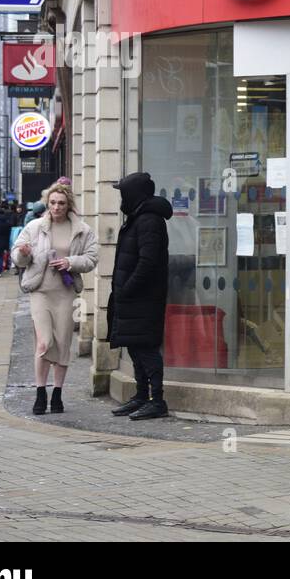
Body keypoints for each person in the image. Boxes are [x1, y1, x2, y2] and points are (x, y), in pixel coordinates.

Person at [13, 183, 98, 415]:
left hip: (66, 291)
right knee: (43, 342)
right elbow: (17, 257)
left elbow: (92, 259)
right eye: (52, 203)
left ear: (68, 204)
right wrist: (23, 254)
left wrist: (70, 262)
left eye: (61, 203)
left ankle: (57, 394)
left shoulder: (82, 229)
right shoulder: (35, 226)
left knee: (62, 344)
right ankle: (40, 392)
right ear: (47, 203)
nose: (56, 207)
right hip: (40, 290)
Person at [106, 172, 173, 421]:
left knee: (146, 349)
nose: (121, 198)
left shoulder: (149, 220)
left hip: (143, 297)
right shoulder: (138, 217)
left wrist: (128, 288)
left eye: (123, 192)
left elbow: (148, 261)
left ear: (133, 194)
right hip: (133, 297)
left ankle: (157, 400)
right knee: (135, 347)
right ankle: (141, 395)